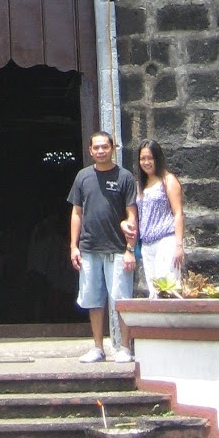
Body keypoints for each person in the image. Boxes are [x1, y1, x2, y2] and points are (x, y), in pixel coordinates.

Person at [68, 129, 138, 363]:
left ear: (113, 148)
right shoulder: (83, 177)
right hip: (89, 248)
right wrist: (73, 246)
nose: (100, 151)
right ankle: (98, 347)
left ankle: (125, 347)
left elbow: (132, 215)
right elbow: (76, 213)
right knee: (93, 300)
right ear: (90, 150)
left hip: (117, 248)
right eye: (96, 147)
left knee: (121, 300)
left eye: (104, 147)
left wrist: (130, 249)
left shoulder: (125, 177)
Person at [136, 139, 185, 295]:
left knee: (167, 289)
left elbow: (178, 213)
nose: (146, 162)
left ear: (157, 158)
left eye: (150, 158)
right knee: (154, 292)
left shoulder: (168, 180)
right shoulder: (141, 184)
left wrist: (179, 245)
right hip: (147, 244)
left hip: (166, 240)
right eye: (142, 159)